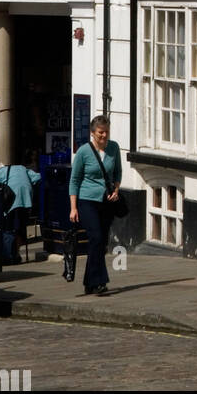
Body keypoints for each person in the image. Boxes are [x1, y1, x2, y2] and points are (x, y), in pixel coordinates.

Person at [69, 116, 123, 296]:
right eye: (100, 132)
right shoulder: (83, 152)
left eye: (106, 132)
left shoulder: (114, 148)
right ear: (92, 133)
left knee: (100, 243)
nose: (104, 135)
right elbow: (74, 180)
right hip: (86, 200)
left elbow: (117, 172)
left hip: (106, 201)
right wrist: (73, 207)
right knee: (96, 238)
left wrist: (116, 190)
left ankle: (89, 282)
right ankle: (100, 281)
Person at [0, 158, 40, 264]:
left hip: (12, 201)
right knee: (20, 227)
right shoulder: (21, 168)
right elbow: (37, 177)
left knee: (8, 228)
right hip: (26, 200)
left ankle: (8, 256)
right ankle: (16, 253)